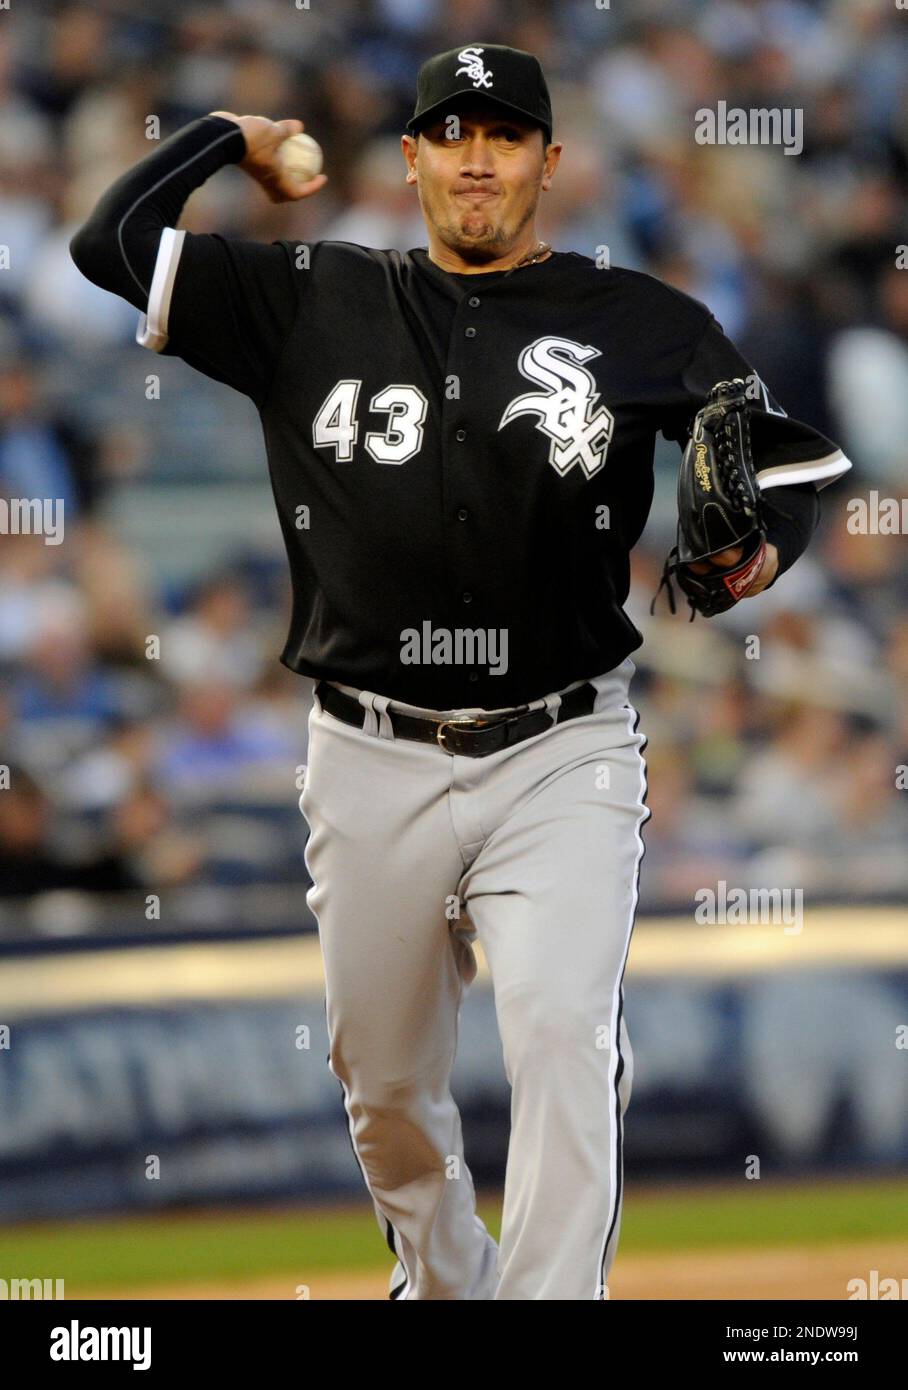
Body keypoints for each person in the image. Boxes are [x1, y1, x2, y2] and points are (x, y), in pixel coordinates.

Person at [70, 43, 850, 1300]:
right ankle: (439, 1281)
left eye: (503, 133)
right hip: (367, 751)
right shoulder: (306, 294)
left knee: (557, 1029)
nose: (476, 155)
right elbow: (108, 242)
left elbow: (786, 463)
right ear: (414, 157)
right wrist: (233, 131)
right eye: (451, 132)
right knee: (381, 1088)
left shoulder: (637, 318)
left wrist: (765, 547)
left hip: (561, 751)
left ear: (549, 161)